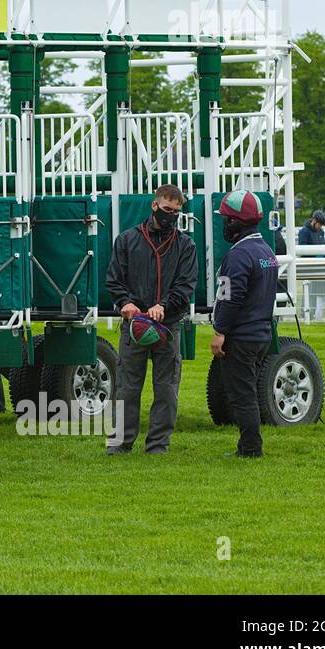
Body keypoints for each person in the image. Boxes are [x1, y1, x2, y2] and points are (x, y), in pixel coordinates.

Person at [103, 183, 198, 455]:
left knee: (166, 389)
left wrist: (164, 306)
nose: (171, 216)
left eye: (176, 212)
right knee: (127, 388)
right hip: (134, 325)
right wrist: (126, 303)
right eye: (167, 209)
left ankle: (158, 445)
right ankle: (120, 444)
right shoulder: (126, 240)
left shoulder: (185, 245)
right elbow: (114, 279)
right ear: (154, 205)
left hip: (168, 325)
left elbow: (186, 285)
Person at [211, 190, 280, 459]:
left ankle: (251, 448)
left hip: (241, 336)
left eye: (227, 219)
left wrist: (220, 332)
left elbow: (230, 298)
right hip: (261, 333)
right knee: (248, 391)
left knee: (242, 395)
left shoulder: (239, 254)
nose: (224, 223)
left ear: (235, 222)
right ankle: (247, 446)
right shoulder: (266, 251)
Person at [297, 209, 325, 322]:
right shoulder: (304, 232)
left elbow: (322, 246)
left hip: (319, 266)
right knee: (308, 290)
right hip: (308, 265)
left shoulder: (321, 232)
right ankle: (305, 313)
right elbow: (302, 250)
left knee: (317, 292)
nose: (320, 227)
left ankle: (313, 314)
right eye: (320, 224)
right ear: (314, 221)